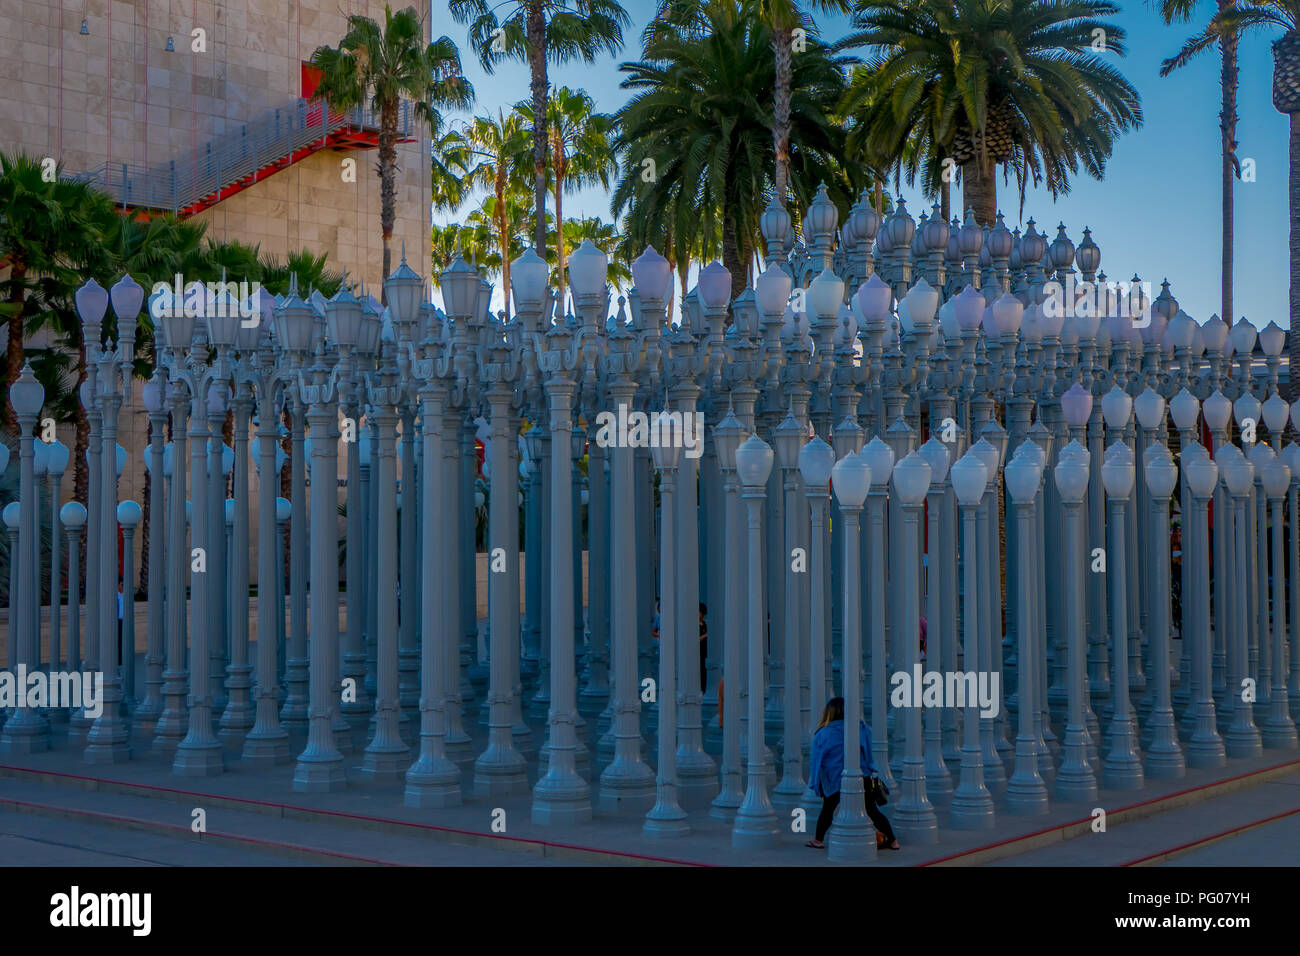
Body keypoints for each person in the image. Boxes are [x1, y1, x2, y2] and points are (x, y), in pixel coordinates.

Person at [804, 696, 899, 850]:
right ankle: (893, 841)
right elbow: (868, 752)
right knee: (871, 810)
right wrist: (871, 767)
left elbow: (816, 760)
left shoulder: (823, 733)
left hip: (834, 779)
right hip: (862, 775)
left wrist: (815, 782)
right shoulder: (861, 728)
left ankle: (818, 840)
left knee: (828, 810)